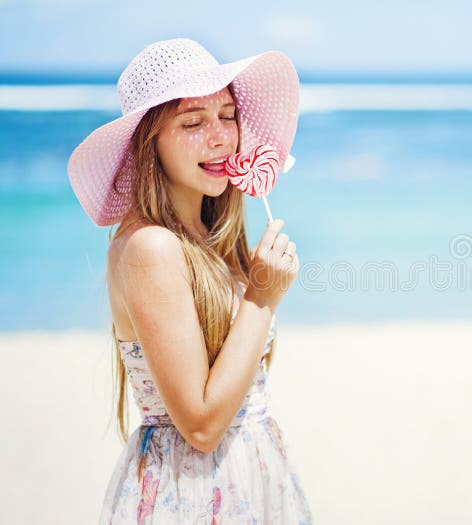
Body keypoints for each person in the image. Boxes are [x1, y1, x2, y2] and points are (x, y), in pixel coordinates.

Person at [67, 38, 314, 524]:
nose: (221, 137)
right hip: (192, 494)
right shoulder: (151, 248)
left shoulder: (212, 239)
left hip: (251, 474)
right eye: (192, 122)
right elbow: (200, 426)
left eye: (226, 114)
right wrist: (261, 299)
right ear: (149, 143)